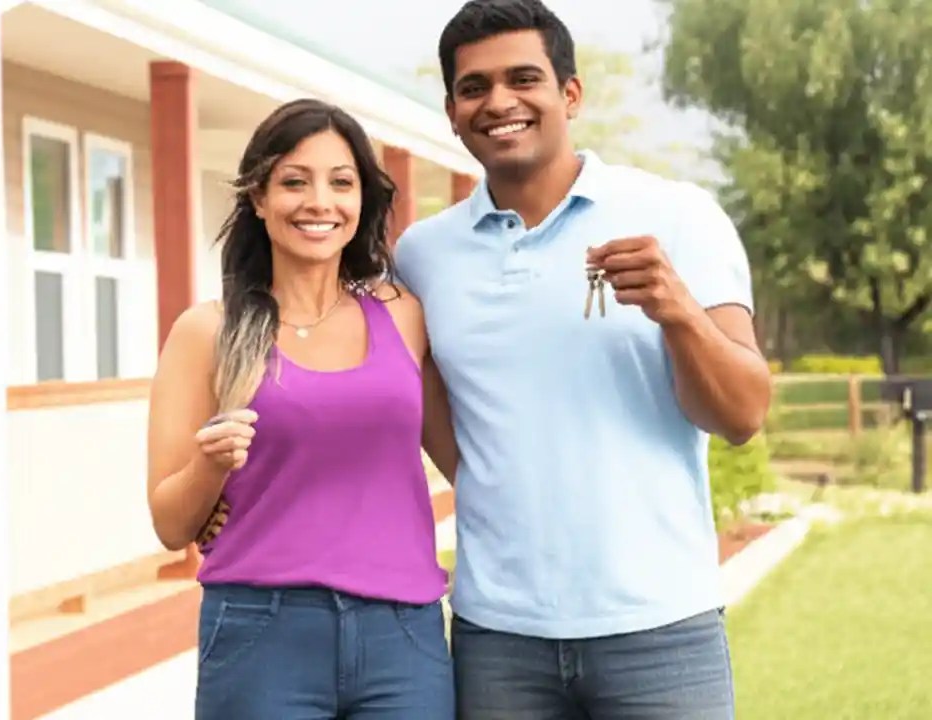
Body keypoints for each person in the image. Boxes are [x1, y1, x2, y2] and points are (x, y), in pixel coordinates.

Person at [394, 1, 773, 718]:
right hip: (498, 638)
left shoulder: (678, 214)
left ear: (571, 94)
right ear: (450, 110)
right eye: (474, 87)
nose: (499, 101)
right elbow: (415, 405)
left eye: (523, 78)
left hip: (662, 631)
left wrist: (679, 311)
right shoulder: (423, 255)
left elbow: (744, 413)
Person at [146, 97, 456, 720]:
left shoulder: (405, 316)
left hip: (403, 636)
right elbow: (170, 523)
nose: (320, 202)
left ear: (361, 200)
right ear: (258, 198)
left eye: (341, 183)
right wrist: (211, 467)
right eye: (294, 181)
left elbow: (468, 460)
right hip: (262, 632)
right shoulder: (208, 330)